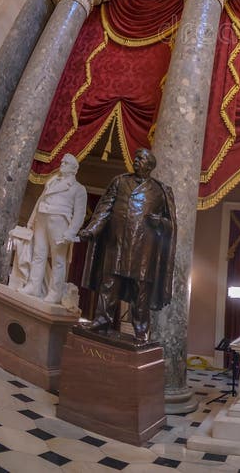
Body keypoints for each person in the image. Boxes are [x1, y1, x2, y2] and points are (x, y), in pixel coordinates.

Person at [78, 147, 176, 343]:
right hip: (117, 243)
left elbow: (170, 224)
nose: (136, 160)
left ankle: (141, 330)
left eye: (141, 158)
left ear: (150, 165)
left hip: (143, 249)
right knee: (109, 284)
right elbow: (105, 209)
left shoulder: (161, 190)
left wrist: (160, 223)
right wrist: (92, 229)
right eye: (136, 157)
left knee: (141, 291)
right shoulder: (120, 181)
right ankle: (102, 321)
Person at [20, 153, 87, 304]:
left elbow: (79, 214)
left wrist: (70, 232)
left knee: (58, 259)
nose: (62, 163)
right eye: (62, 162)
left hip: (60, 223)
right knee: (38, 254)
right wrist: (31, 221)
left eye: (66, 163)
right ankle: (33, 286)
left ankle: (55, 293)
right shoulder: (52, 181)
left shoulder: (78, 189)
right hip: (42, 218)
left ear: (74, 169)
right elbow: (39, 201)